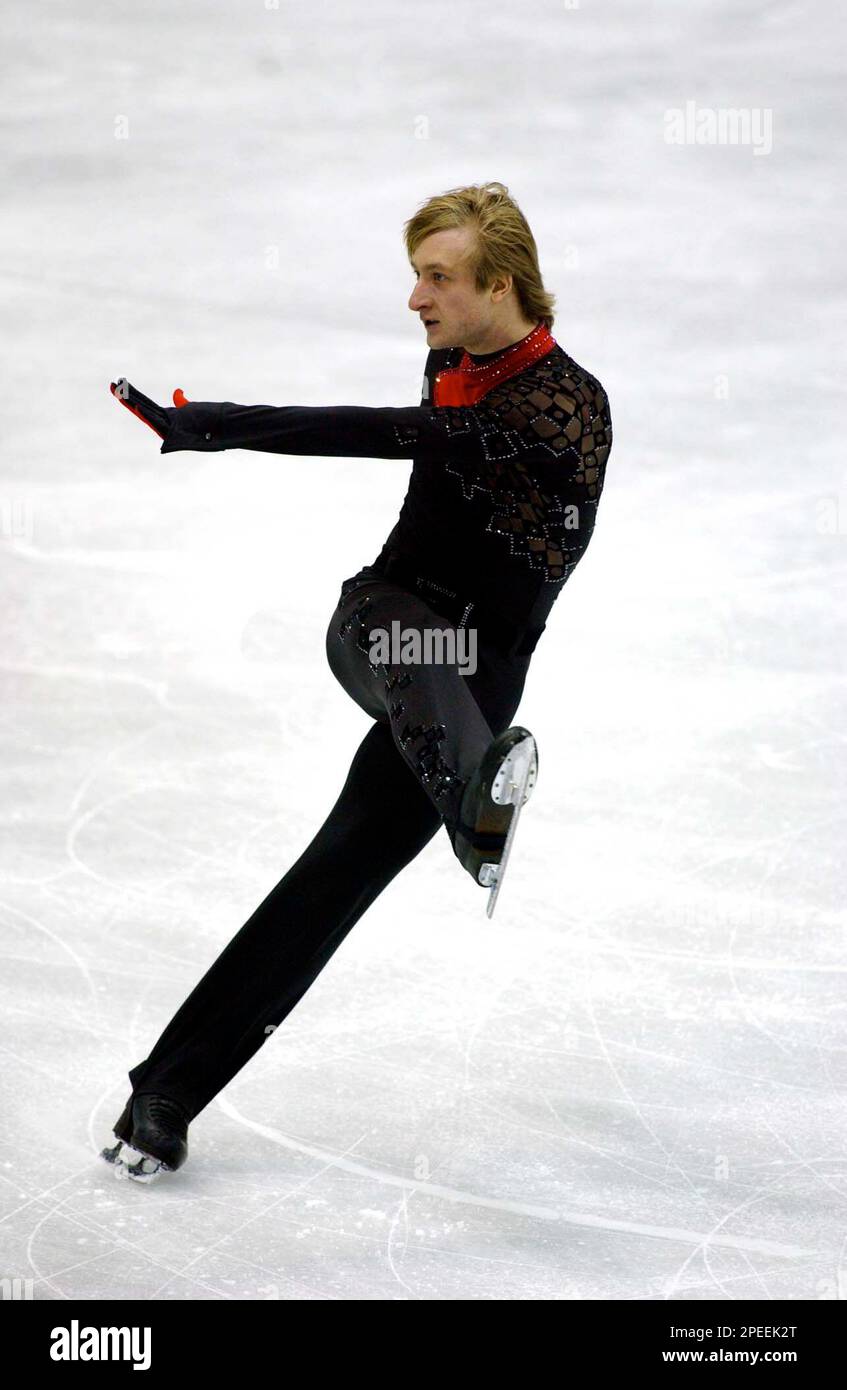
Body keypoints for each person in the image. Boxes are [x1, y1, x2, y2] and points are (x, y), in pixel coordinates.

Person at [100, 181, 613, 1181]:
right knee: (414, 655)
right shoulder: (453, 361)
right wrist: (209, 423)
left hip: (476, 683)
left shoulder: (559, 408)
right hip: (381, 620)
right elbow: (402, 435)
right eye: (415, 275)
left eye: (436, 277)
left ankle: (164, 1093)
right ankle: (478, 806)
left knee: (333, 874)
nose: (416, 299)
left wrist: (219, 423)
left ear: (499, 284)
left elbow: (382, 433)